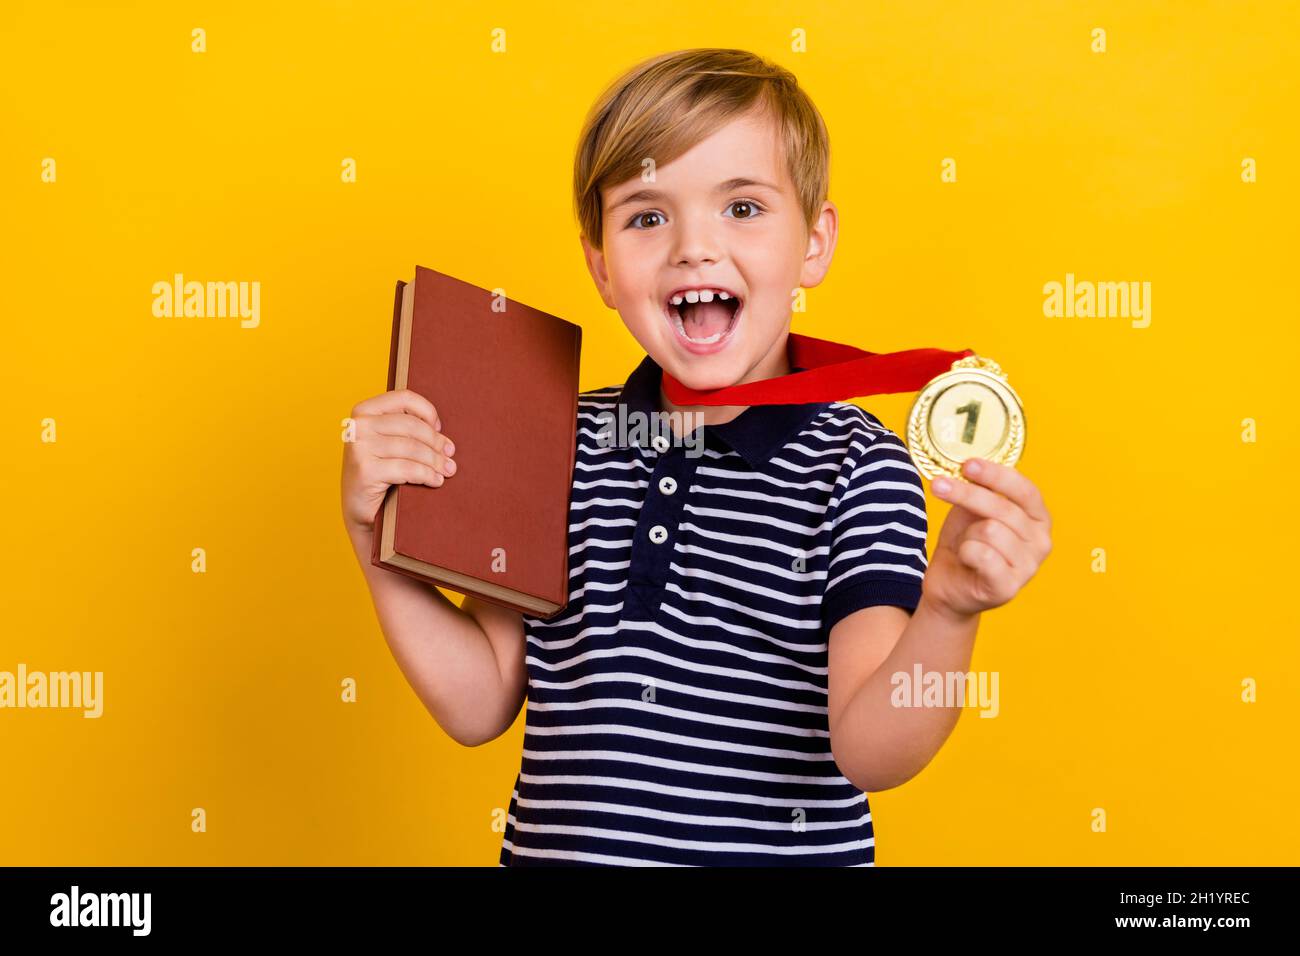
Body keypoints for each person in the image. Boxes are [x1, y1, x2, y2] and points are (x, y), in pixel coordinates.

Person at [340, 48, 1052, 866]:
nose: (693, 248)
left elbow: (874, 752)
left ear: (814, 243)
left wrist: (950, 614)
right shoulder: (553, 439)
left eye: (742, 208)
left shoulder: (859, 468)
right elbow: (479, 701)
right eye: (647, 216)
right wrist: (378, 544)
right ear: (601, 266)